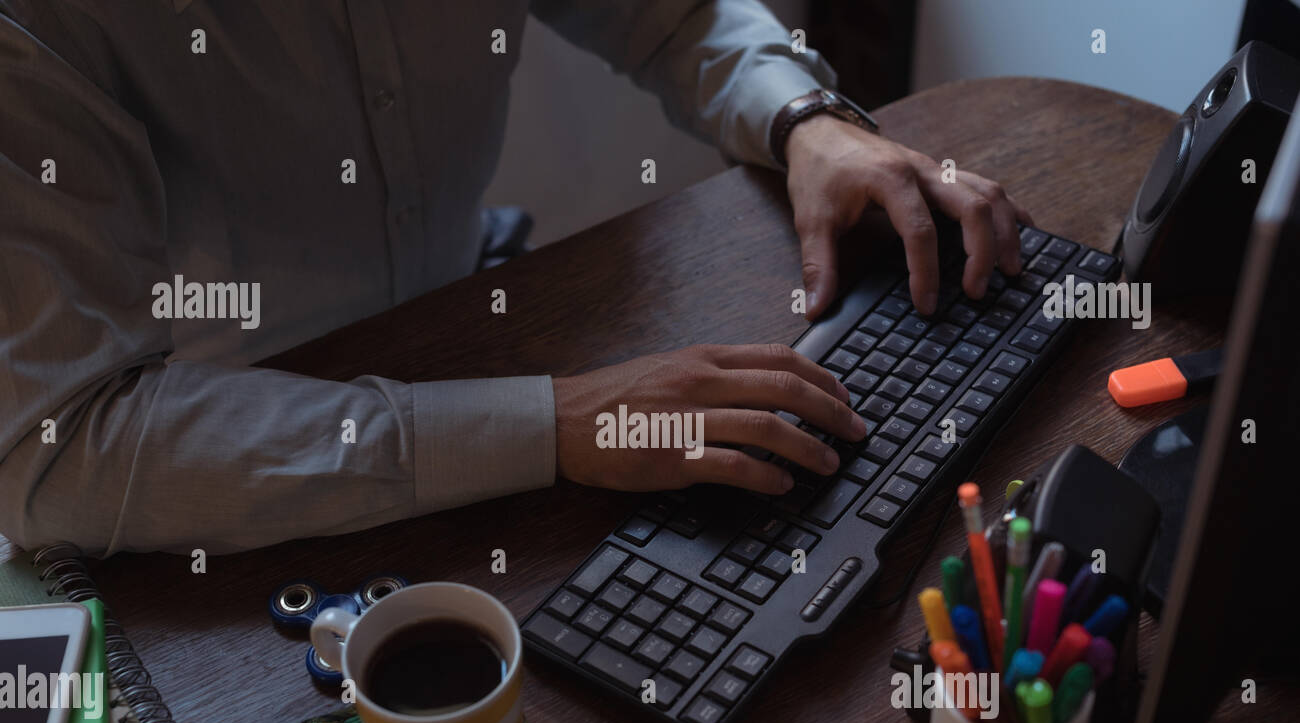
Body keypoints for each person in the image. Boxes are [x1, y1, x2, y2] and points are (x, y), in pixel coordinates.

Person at [0, 0, 1031, 556]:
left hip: (474, 324)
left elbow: (667, 19)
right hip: (224, 466)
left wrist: (801, 121)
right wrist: (553, 422)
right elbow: (60, 449)